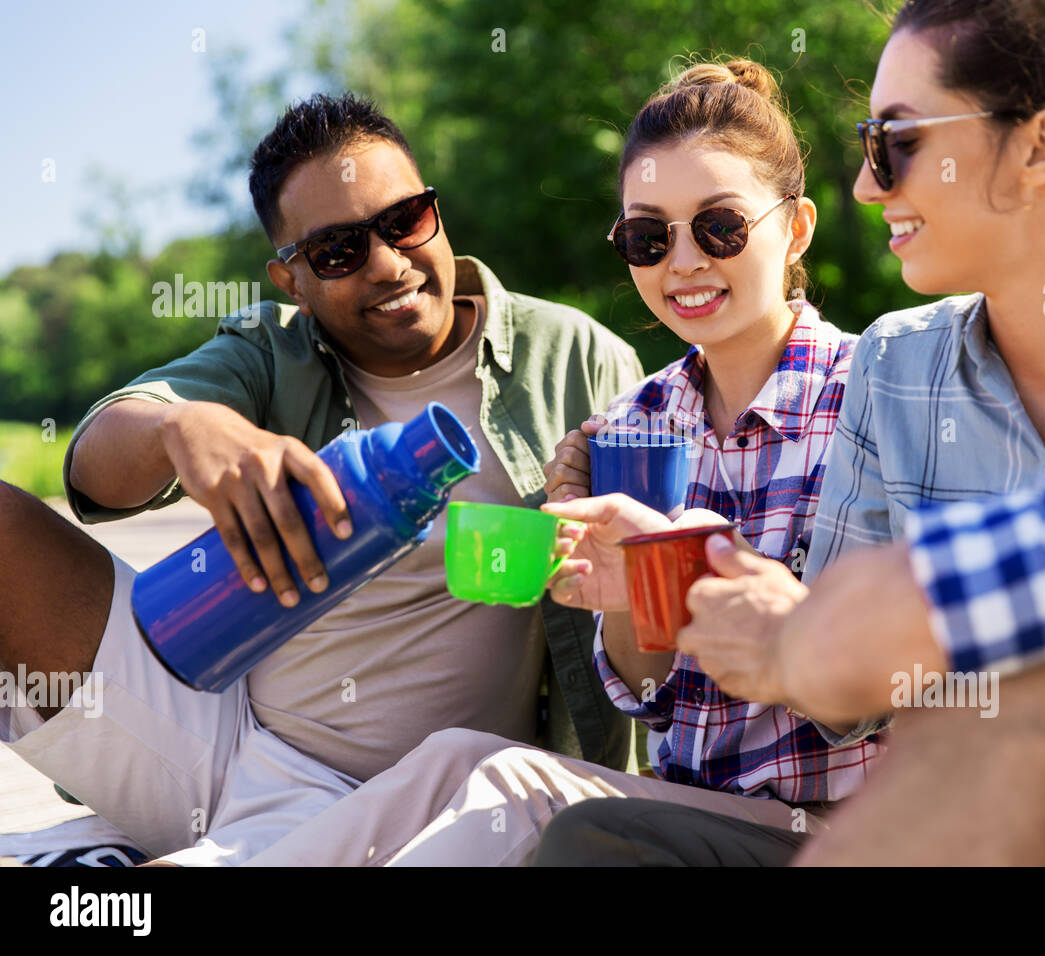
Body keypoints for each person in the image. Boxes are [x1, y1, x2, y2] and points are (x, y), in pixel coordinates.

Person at [532, 0, 1045, 865]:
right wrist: (677, 578)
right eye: (644, 236)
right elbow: (839, 698)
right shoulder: (901, 363)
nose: (868, 184)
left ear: (1043, 145)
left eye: (899, 141)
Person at [241, 57, 868, 867]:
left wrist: (692, 574)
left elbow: (874, 692)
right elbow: (650, 698)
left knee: (525, 797)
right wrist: (620, 594)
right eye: (648, 236)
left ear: (798, 228)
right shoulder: (634, 420)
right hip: (694, 810)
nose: (682, 264)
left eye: (720, 226)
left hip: (844, 826)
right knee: (457, 757)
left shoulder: (872, 395)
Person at [0, 92, 643, 866]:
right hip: (216, 726)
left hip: (417, 799)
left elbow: (641, 599)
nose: (387, 262)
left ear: (435, 211)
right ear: (290, 280)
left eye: (404, 220)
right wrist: (183, 426)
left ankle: (139, 853)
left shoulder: (577, 357)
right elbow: (98, 463)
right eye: (338, 251)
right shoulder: (271, 354)